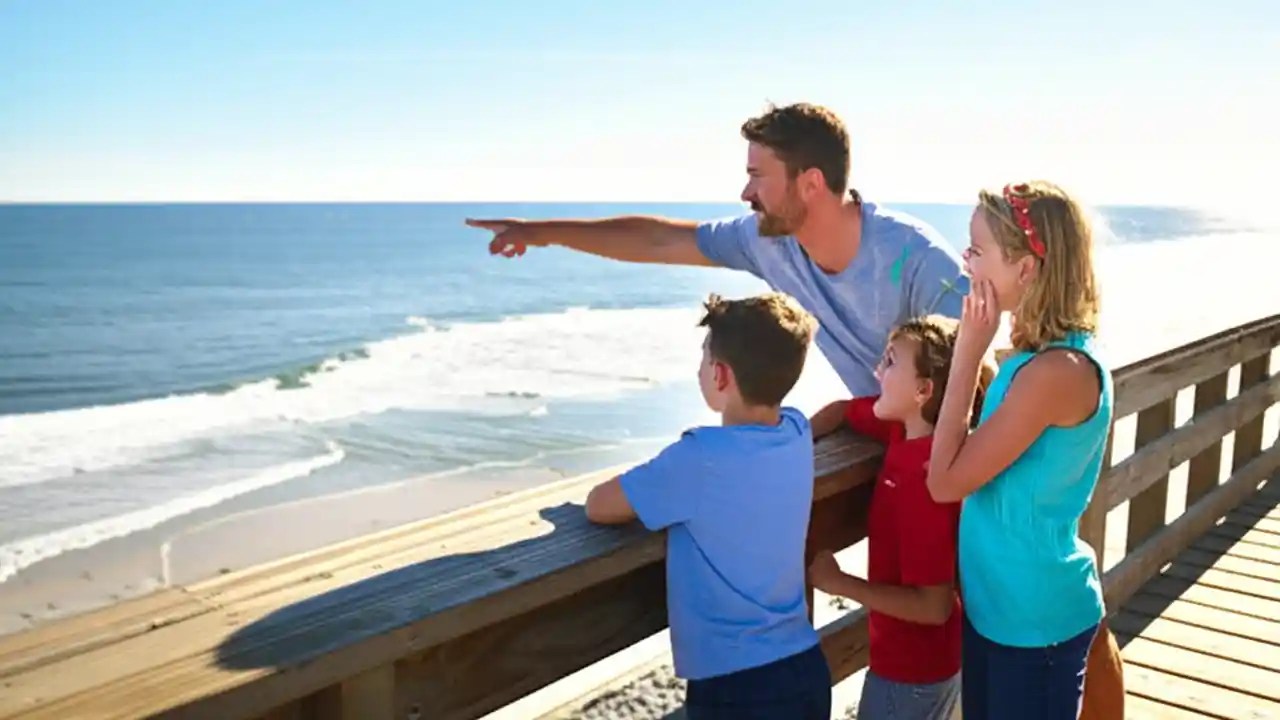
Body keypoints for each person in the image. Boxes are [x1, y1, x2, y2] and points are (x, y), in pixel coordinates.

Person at [466, 102, 968, 398]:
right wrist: (540, 232)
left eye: (756, 177)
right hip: (888, 452)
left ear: (810, 183)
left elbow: (979, 383)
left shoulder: (914, 258)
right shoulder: (768, 242)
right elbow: (662, 239)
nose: (746, 194)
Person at [583, 291, 831, 719]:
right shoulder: (795, 431)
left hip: (737, 687)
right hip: (804, 667)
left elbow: (599, 505)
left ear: (720, 376)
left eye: (703, 359)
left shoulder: (699, 458)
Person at [925, 180, 1113, 719]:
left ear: (1026, 269)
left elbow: (944, 482)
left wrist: (965, 355)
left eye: (978, 250)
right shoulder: (1032, 360)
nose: (967, 262)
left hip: (1035, 625)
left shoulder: (1056, 372)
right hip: (998, 612)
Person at [806, 315, 992, 720]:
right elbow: (840, 411)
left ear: (923, 391)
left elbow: (932, 606)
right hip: (932, 662)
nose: (876, 370)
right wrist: (791, 441)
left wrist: (839, 583)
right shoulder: (907, 432)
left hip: (912, 675)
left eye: (890, 362)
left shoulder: (924, 480)